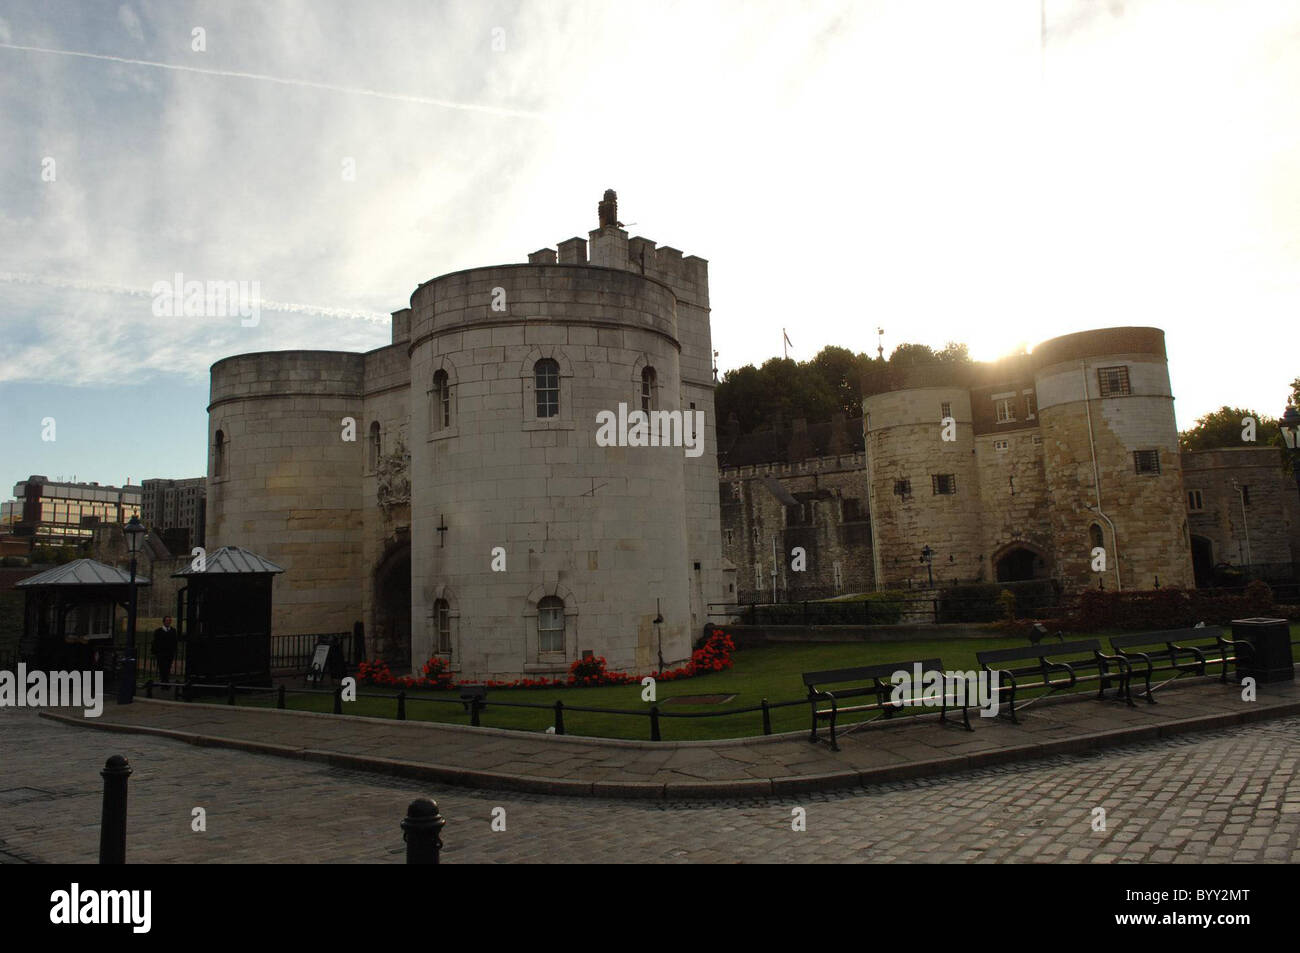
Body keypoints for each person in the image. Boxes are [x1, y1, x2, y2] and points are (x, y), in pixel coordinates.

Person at [153, 617, 178, 683]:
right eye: (167, 620)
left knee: (168, 667)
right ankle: (164, 681)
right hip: (161, 653)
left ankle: (165, 681)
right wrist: (155, 652)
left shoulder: (173, 630)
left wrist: (174, 650)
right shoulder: (158, 631)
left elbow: (174, 642)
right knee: (162, 667)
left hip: (169, 653)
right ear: (163, 622)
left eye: (169, 621)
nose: (168, 622)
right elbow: (155, 642)